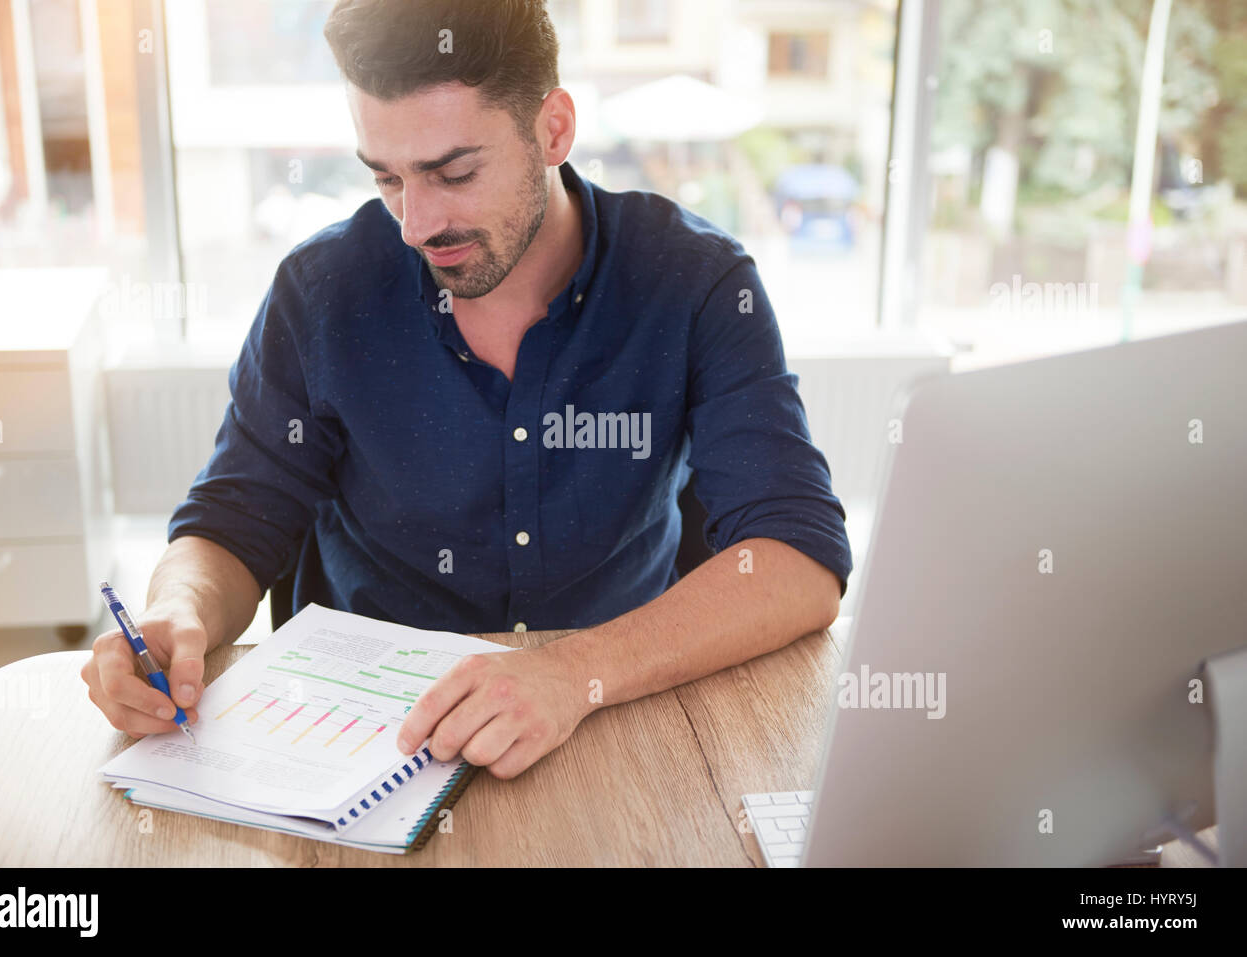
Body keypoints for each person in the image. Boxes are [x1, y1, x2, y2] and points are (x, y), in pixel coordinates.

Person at [82, 0, 852, 781]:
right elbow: (232, 523)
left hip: (615, 719)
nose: (417, 223)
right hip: (362, 747)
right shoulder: (321, 293)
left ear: (553, 129)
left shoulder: (695, 282)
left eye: (454, 173)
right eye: (388, 177)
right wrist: (177, 610)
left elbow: (797, 559)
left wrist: (570, 673)